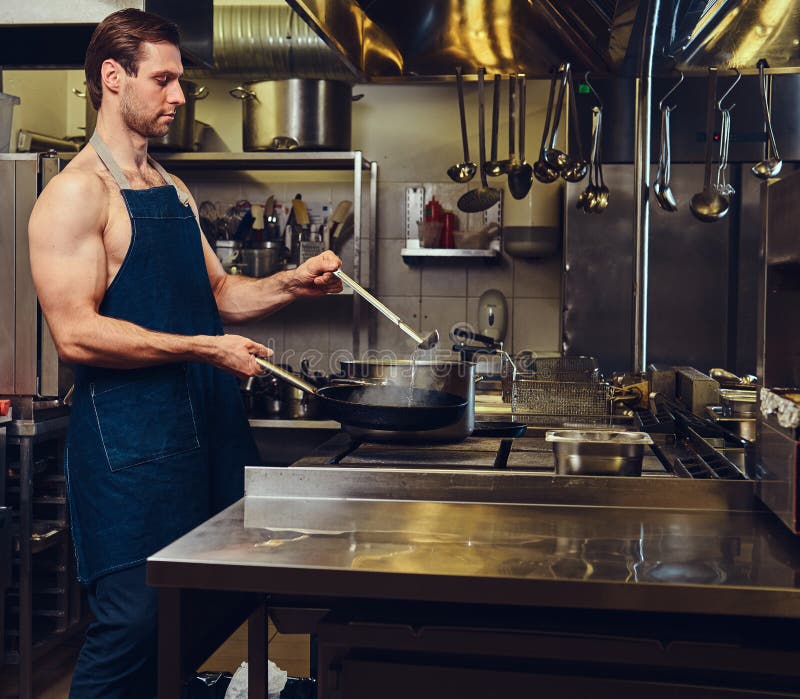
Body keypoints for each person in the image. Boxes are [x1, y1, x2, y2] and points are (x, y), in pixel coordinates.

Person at [27, 8, 342, 698]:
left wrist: (292, 282)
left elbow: (220, 292)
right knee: (134, 623)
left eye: (180, 81)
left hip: (205, 437)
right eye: (164, 80)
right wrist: (202, 347)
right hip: (129, 452)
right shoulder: (77, 194)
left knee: (226, 592)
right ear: (113, 78)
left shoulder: (171, 188)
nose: (179, 96)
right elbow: (74, 331)